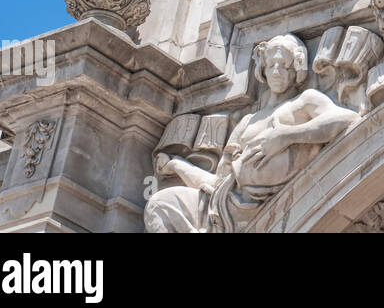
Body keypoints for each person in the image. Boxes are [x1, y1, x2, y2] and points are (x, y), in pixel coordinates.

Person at [144, 33, 359, 232]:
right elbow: (220, 182)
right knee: (160, 204)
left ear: (296, 70)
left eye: (284, 65)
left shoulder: (305, 101)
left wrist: (285, 137)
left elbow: (346, 119)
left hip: (280, 203)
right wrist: (176, 165)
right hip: (227, 204)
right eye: (271, 64)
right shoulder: (247, 122)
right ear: (262, 70)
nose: (276, 71)